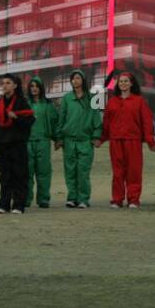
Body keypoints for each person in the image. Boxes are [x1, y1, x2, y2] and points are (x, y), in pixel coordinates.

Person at [96, 71, 155, 209]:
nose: (123, 83)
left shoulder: (139, 101)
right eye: (121, 81)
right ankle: (117, 200)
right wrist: (101, 139)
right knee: (117, 172)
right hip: (116, 141)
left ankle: (133, 200)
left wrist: (150, 141)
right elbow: (106, 123)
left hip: (133, 141)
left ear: (131, 83)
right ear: (117, 84)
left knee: (134, 171)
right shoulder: (112, 102)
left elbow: (146, 122)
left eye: (126, 81)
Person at [54, 68, 100, 208]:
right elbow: (61, 118)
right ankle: (72, 197)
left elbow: (96, 119)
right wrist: (59, 137)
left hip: (85, 141)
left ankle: (83, 199)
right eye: (73, 78)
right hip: (69, 141)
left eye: (78, 78)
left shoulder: (92, 98)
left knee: (83, 171)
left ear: (83, 80)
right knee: (70, 171)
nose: (75, 80)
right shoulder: (67, 98)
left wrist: (96, 136)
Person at [0, 73, 34, 214]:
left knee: (19, 175)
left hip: (17, 144)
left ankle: (18, 204)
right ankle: (3, 203)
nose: (4, 85)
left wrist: (16, 118)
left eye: (8, 83)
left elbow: (30, 121)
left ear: (15, 85)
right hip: (2, 145)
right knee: (5, 175)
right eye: (3, 83)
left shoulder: (22, 102)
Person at [25, 77, 58, 209]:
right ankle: (26, 198)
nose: (34, 88)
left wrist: (57, 139)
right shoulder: (25, 103)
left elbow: (55, 122)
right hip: (27, 142)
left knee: (43, 172)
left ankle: (43, 199)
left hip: (44, 141)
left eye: (36, 86)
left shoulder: (48, 105)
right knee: (27, 172)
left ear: (41, 88)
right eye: (32, 86)